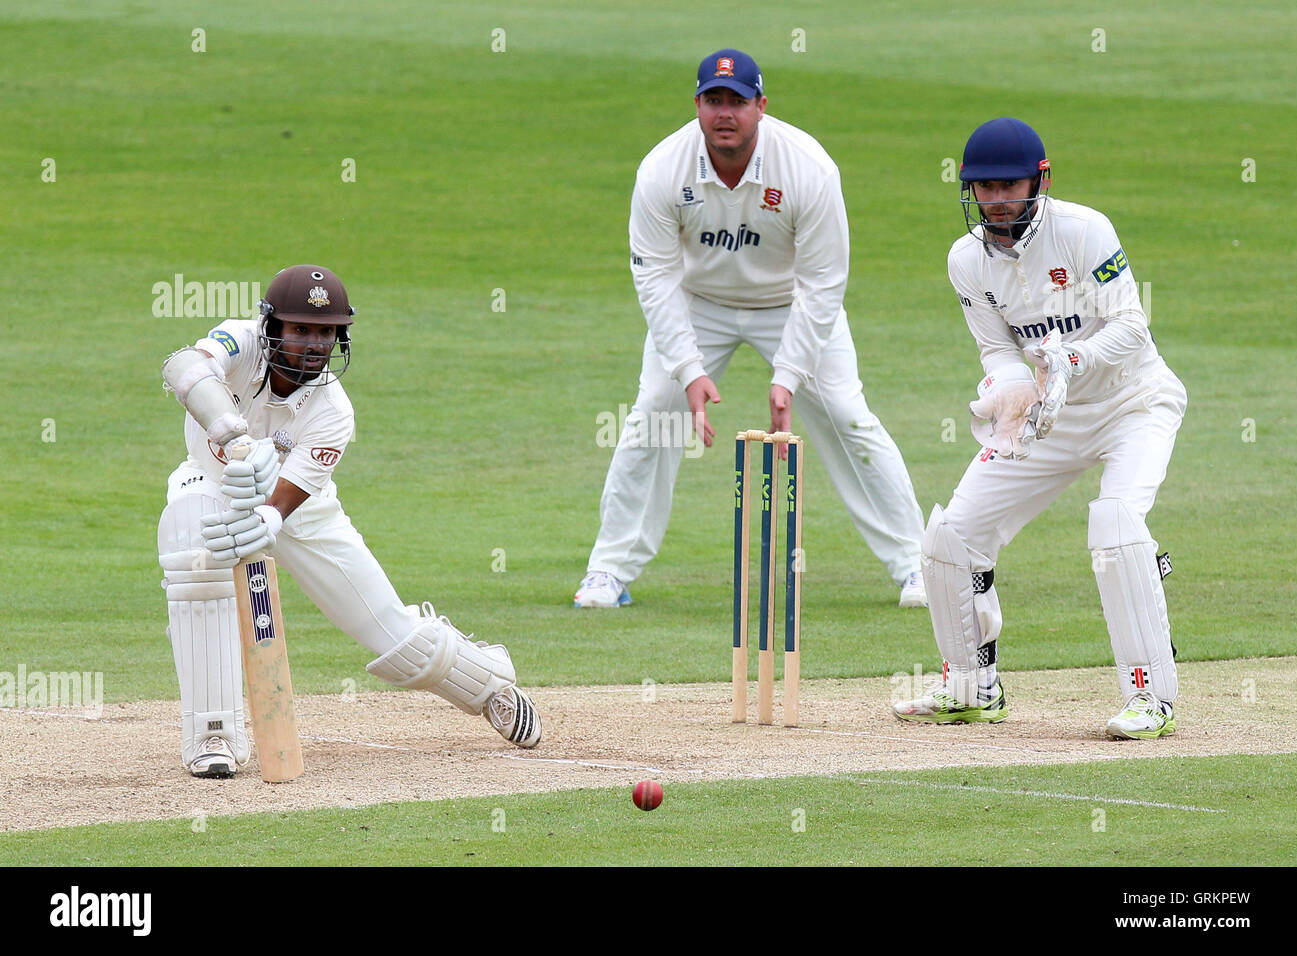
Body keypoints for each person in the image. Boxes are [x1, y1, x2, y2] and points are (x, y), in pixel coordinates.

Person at [574, 48, 927, 610]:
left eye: (737, 101)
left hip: (791, 303)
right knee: (653, 413)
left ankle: (918, 565)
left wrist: (787, 376)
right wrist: (688, 372)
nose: (725, 113)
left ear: (761, 106)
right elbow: (657, 280)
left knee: (846, 416)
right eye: (713, 101)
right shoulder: (662, 169)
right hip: (698, 302)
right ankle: (608, 571)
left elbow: (824, 283)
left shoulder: (808, 168)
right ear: (696, 106)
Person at [157, 264, 541, 778]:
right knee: (191, 540)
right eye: (302, 329)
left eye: (326, 331)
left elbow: (283, 505)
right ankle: (214, 735)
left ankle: (487, 679)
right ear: (272, 327)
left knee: (390, 634)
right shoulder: (240, 341)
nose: (315, 343)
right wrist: (230, 432)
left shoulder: (334, 411)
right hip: (210, 478)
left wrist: (268, 519)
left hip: (298, 510)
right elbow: (184, 366)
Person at [893, 118, 1187, 739]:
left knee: (1116, 526)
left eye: (1009, 185)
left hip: (1132, 404)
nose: (996, 200)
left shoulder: (1084, 230)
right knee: (952, 534)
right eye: (983, 187)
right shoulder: (967, 259)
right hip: (1046, 418)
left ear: (1039, 180)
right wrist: (1011, 389)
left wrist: (1070, 361)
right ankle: (971, 686)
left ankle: (1150, 697)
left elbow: (1131, 326)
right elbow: (995, 350)